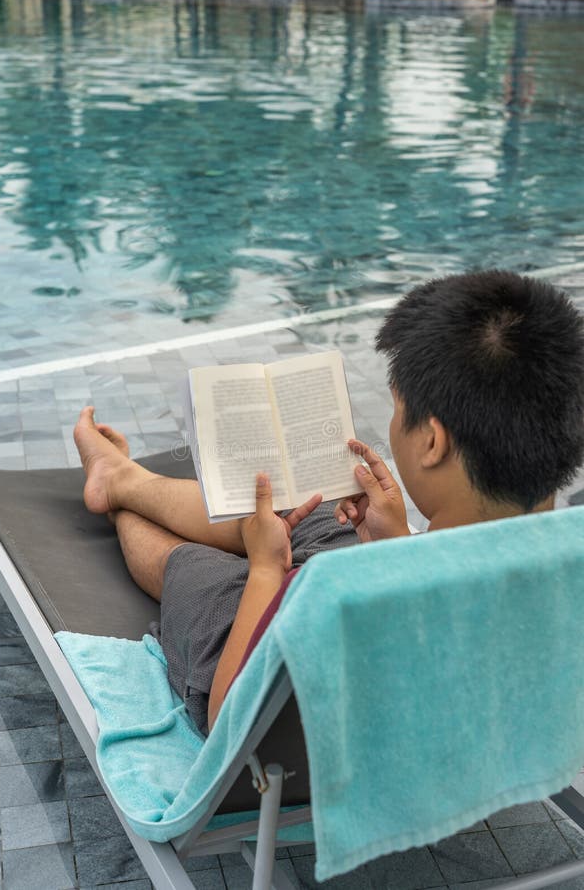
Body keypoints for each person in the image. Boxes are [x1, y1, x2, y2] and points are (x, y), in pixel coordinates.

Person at [73, 270, 584, 734]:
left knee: (193, 567)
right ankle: (122, 478)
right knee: (305, 514)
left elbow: (230, 722)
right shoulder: (566, 562)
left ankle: (117, 500)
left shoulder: (335, 598)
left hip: (282, 668)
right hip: (421, 642)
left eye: (397, 407)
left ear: (432, 443)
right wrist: (398, 543)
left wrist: (266, 572)